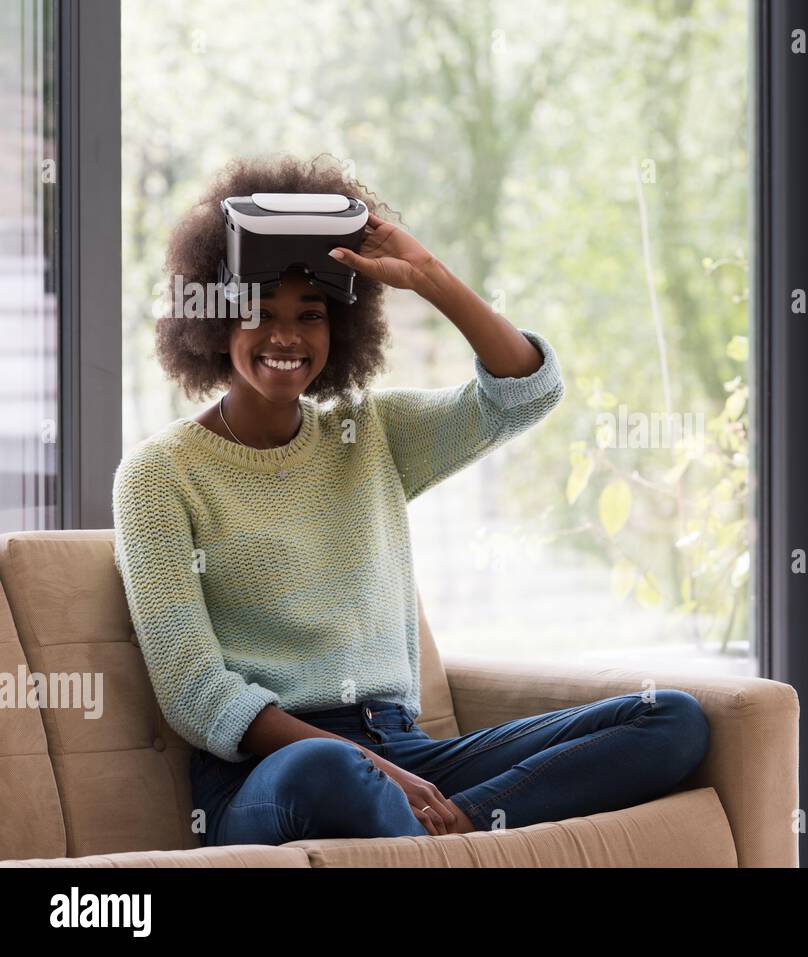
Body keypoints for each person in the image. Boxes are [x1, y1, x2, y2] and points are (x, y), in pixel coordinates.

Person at [111, 154, 710, 846]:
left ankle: (452, 831)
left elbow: (524, 393)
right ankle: (444, 834)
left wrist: (429, 276)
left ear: (340, 328)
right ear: (215, 324)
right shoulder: (159, 474)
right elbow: (196, 694)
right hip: (271, 771)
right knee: (329, 767)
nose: (286, 336)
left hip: (405, 748)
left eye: (311, 314)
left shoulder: (370, 433)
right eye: (259, 313)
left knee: (670, 718)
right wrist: (378, 771)